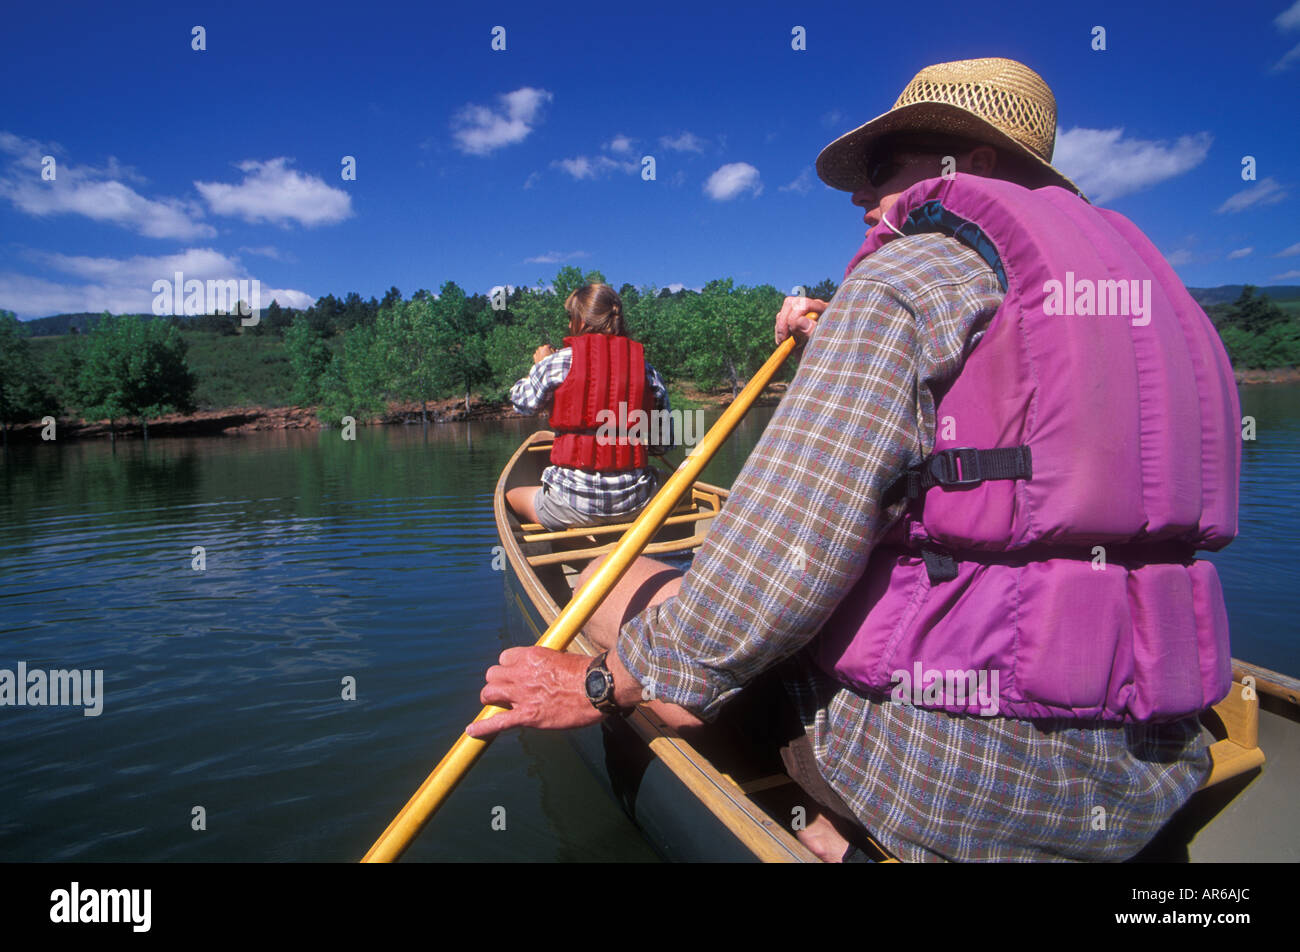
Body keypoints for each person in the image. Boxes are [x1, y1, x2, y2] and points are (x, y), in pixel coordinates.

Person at [469, 58, 1240, 863]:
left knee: (613, 583)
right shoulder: (1160, 308)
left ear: (972, 165)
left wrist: (600, 683)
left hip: (953, 776)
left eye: (880, 167)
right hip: (1149, 765)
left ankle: (841, 835)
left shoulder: (907, 277)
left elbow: (784, 552)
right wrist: (836, 328)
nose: (856, 195)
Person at [506, 283, 673, 530]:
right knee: (670, 485)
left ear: (581, 321)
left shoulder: (557, 363)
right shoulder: (648, 371)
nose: (567, 324)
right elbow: (664, 444)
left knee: (509, 497)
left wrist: (539, 365)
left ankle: (569, 548)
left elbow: (522, 403)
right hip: (637, 504)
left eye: (570, 318)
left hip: (570, 505)